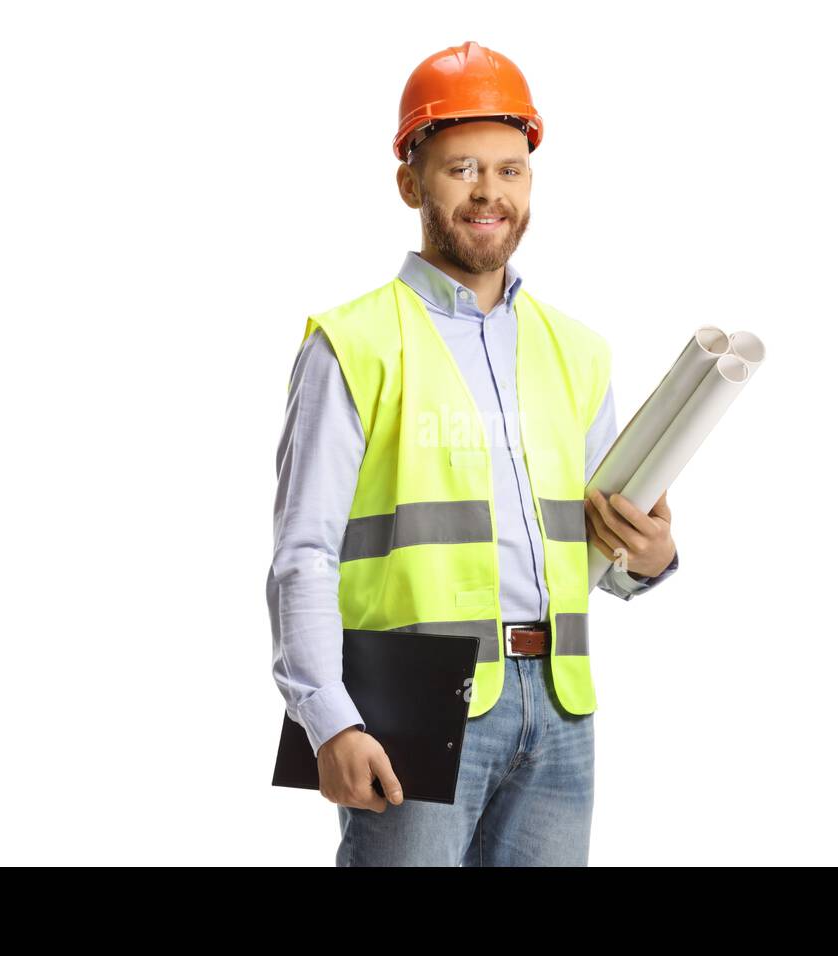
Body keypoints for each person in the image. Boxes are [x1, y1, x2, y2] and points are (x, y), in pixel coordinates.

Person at [266, 40, 679, 866]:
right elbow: (303, 555)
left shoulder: (578, 351)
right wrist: (329, 719)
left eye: (511, 169)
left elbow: (600, 547)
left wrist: (651, 556)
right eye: (462, 170)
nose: (490, 193)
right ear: (411, 183)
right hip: (410, 694)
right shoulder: (354, 345)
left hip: (559, 699)